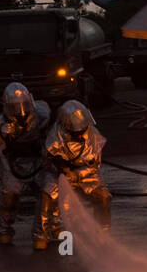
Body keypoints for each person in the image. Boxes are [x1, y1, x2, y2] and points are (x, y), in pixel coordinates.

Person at [0, 82, 52, 245]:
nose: (20, 112)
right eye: (14, 107)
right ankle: (4, 230)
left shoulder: (42, 115)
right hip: (13, 163)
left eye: (24, 105)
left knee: (48, 193)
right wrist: (2, 135)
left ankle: (47, 228)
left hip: (37, 161)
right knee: (9, 195)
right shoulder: (1, 122)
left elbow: (55, 133)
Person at [36, 99, 110, 250]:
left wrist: (80, 171)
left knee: (103, 197)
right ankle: (40, 235)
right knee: (47, 196)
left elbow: (95, 164)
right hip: (59, 174)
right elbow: (48, 155)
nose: (80, 132)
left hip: (86, 174)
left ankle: (101, 233)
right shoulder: (56, 133)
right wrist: (61, 166)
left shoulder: (92, 134)